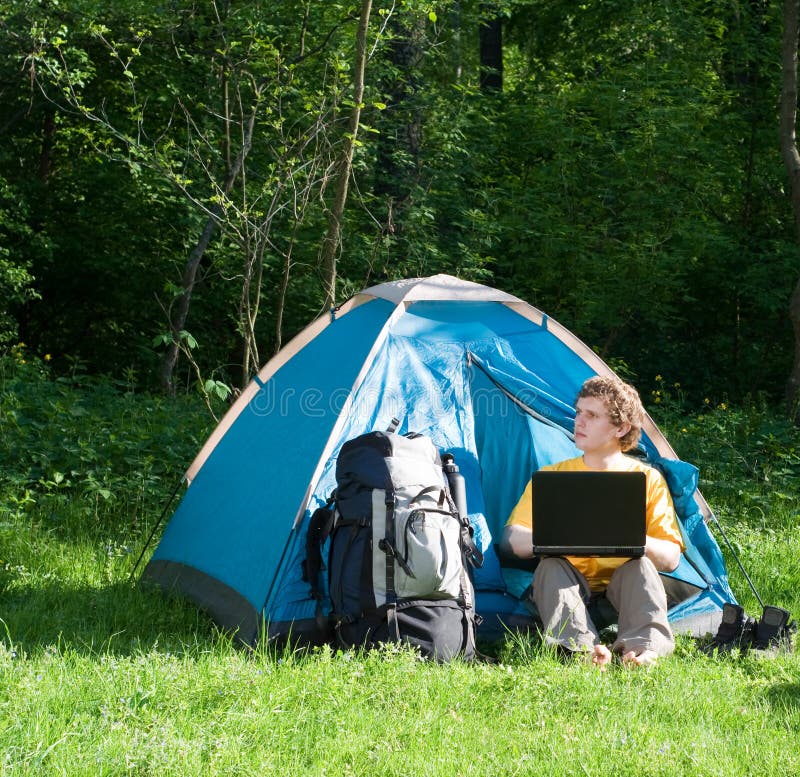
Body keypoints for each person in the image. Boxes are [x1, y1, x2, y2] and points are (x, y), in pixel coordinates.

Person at [500, 375, 684, 668]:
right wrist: (556, 536)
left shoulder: (648, 480)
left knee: (640, 566)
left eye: (592, 415)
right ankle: (581, 651)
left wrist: (630, 538)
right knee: (550, 565)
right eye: (578, 413)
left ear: (621, 428)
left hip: (623, 592)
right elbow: (511, 540)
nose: (579, 422)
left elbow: (671, 558)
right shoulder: (552, 477)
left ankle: (643, 652)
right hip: (566, 589)